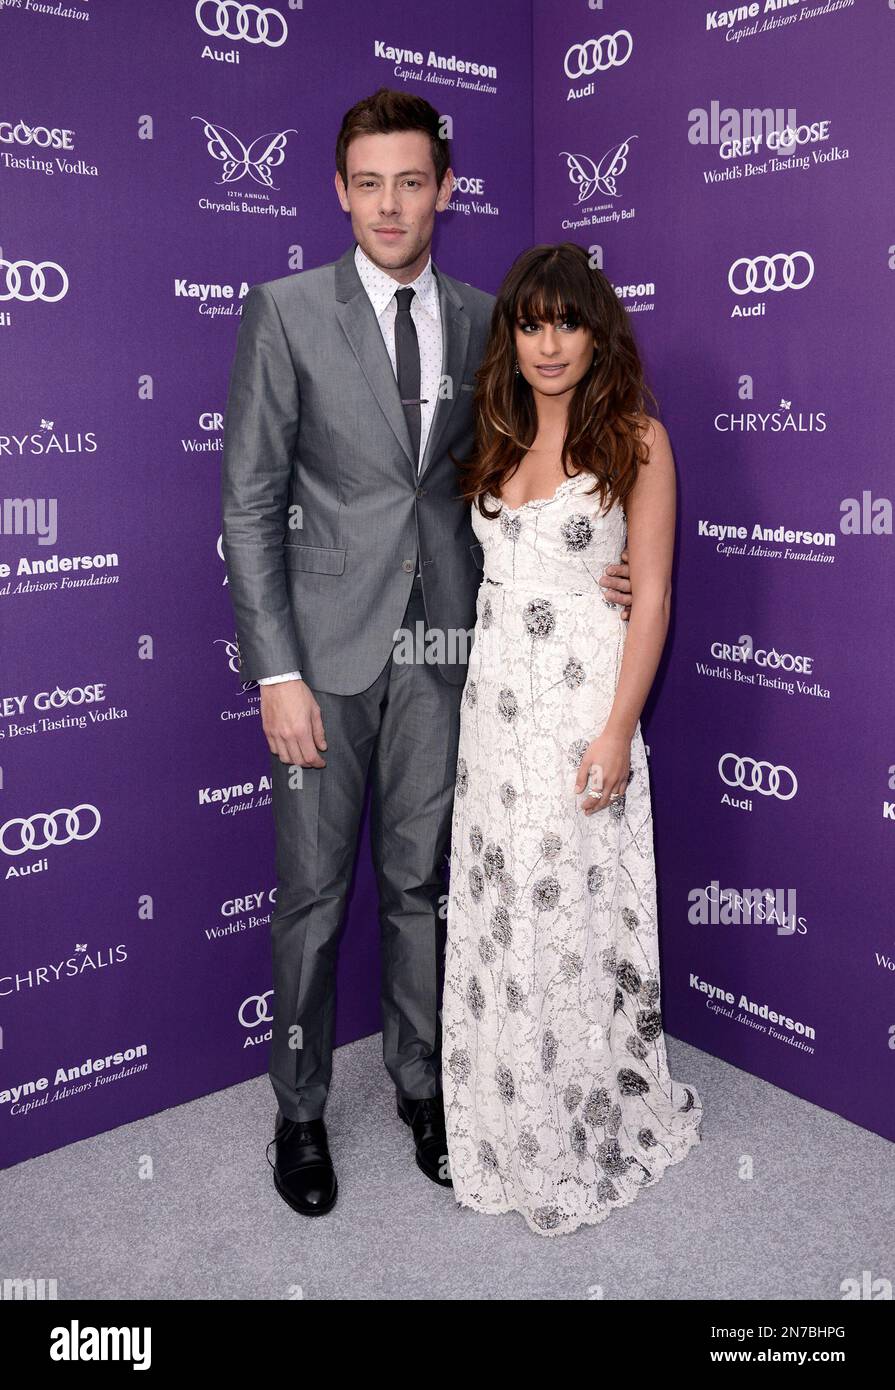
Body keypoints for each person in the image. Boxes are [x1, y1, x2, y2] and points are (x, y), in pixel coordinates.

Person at [221, 90, 633, 1217]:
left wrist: (611, 557)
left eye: (411, 182)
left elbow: (536, 466)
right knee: (312, 895)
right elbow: (250, 505)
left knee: (418, 885)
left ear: (445, 189)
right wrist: (275, 673)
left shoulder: (488, 319)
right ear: (339, 191)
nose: (390, 205)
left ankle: (422, 1085)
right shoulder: (285, 311)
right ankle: (300, 1110)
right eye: (369, 183)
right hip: (321, 660)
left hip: (453, 651)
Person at [441, 242, 703, 1236]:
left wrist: (618, 731)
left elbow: (652, 599)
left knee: (571, 911)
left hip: (580, 712)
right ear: (509, 335)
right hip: (493, 712)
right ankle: (506, 1109)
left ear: (598, 334)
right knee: (504, 905)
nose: (548, 344)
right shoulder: (498, 434)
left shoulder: (638, 440)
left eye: (567, 322)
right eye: (530, 323)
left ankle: (580, 1117)